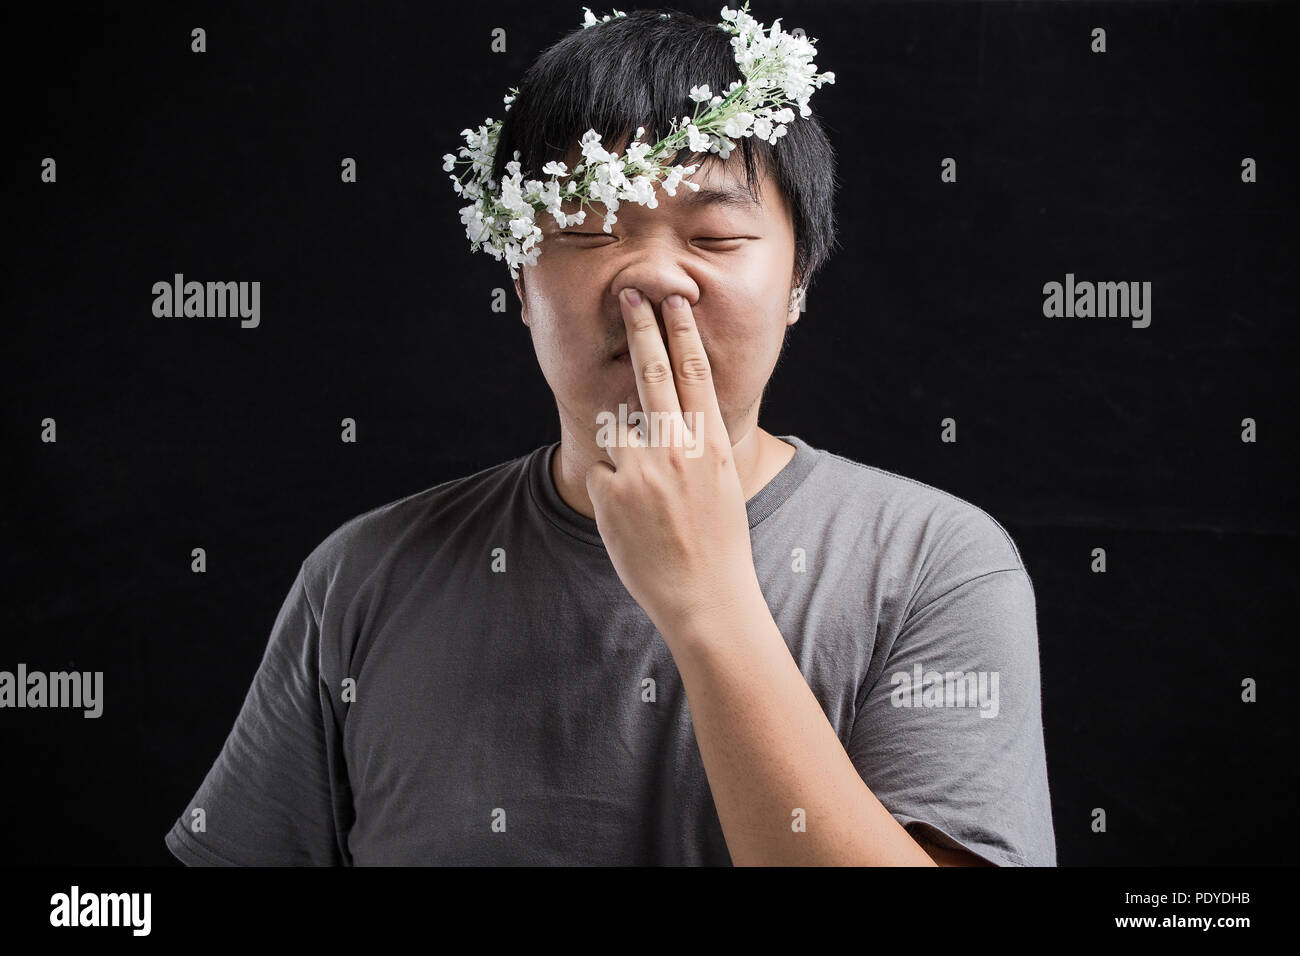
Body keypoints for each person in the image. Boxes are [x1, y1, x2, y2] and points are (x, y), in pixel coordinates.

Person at [164, 5, 1056, 866]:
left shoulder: (935, 566)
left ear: (799, 283)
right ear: (518, 281)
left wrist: (709, 603)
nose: (656, 277)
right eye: (590, 230)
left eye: (713, 235)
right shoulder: (361, 577)